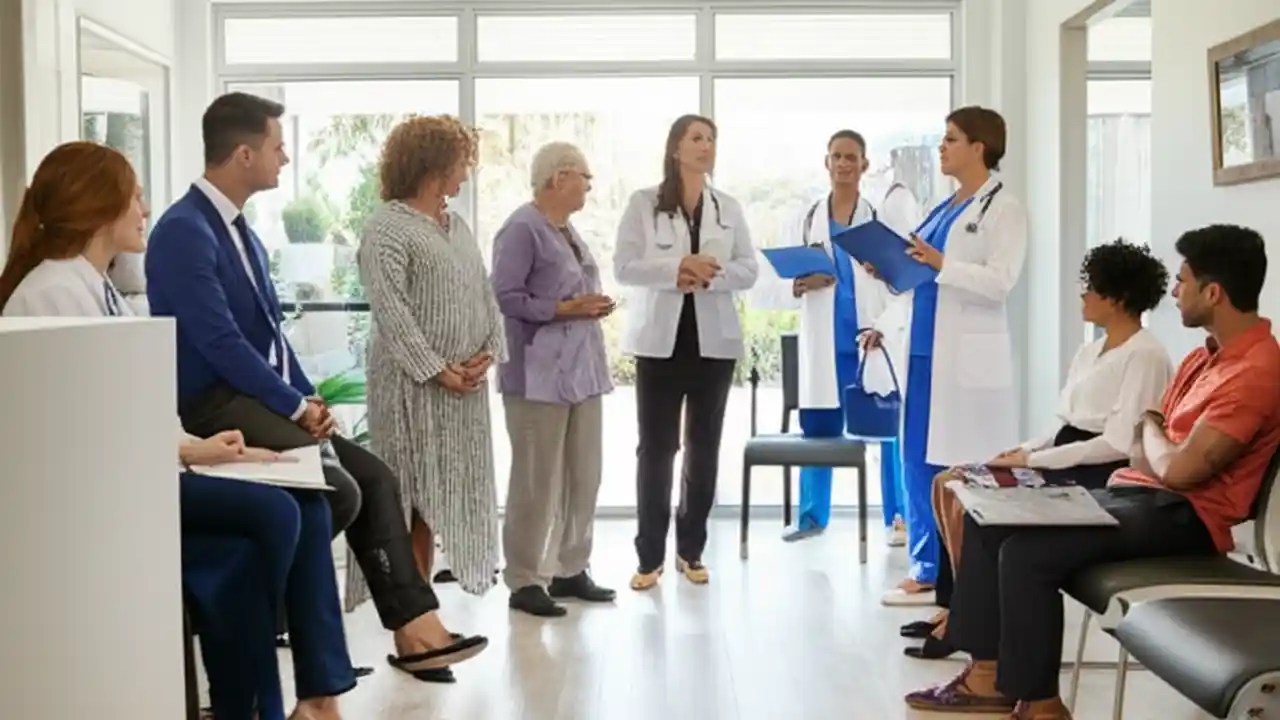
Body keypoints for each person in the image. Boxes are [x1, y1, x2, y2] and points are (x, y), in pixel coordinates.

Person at [0, 141, 355, 720]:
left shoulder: (98, 286)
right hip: (100, 497)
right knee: (278, 513)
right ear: (99, 206)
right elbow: (83, 429)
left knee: (293, 518)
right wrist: (190, 451)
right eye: (135, 195)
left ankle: (297, 700)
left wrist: (204, 448)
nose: (144, 207)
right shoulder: (54, 291)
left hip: (140, 469)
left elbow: (127, 406)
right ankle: (270, 702)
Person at [145, 93, 486, 683]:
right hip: (213, 406)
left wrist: (310, 399)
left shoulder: (240, 231)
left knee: (375, 479)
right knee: (339, 489)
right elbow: (221, 343)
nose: (285, 158)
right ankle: (266, 611)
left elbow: (271, 335)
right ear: (244, 152)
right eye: (278, 147)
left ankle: (415, 631)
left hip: (255, 398)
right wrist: (294, 404)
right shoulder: (184, 230)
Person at [905, 224, 1280, 720]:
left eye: (1183, 281)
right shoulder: (1201, 357)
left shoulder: (1255, 370)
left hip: (1184, 516)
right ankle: (988, 673)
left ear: (1213, 292)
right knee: (990, 516)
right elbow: (1152, 451)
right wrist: (1157, 439)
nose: (1174, 291)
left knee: (1026, 552)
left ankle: (1040, 705)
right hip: (1141, 494)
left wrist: (1155, 434)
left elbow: (1180, 470)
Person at [901, 238, 1172, 660]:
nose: (1083, 294)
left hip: (1098, 471)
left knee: (978, 504)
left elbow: (1117, 443)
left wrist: (1034, 461)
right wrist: (1021, 450)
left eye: (1092, 286)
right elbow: (1062, 421)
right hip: (1061, 453)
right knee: (949, 481)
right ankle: (954, 609)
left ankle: (963, 625)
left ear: (1117, 298)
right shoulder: (1091, 349)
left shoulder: (1146, 355)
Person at [862, 106, 1028, 606]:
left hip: (964, 356)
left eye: (951, 139)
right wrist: (890, 269)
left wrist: (940, 262)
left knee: (957, 464)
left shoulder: (1004, 208)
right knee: (915, 458)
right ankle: (925, 568)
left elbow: (1000, 281)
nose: (942, 147)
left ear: (980, 147)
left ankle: (960, 573)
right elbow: (926, 274)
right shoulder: (944, 206)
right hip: (923, 348)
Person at [356, 114, 504, 602]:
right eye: (461, 163)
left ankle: (426, 612)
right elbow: (391, 312)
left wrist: (486, 353)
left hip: (462, 392)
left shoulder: (455, 225)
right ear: (433, 165)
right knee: (408, 502)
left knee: (445, 502)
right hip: (410, 391)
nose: (465, 174)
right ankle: (414, 619)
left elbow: (483, 293)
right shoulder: (386, 229)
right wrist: (438, 371)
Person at [614, 114, 759, 590]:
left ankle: (691, 550)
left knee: (704, 449)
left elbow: (748, 270)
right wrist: (677, 267)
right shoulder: (644, 203)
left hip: (713, 344)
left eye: (712, 139)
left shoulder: (729, 208)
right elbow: (626, 267)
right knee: (656, 450)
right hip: (660, 345)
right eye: (697, 138)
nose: (706, 147)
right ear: (675, 147)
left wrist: (711, 273)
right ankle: (649, 556)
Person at [756, 129, 919, 544]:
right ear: (826, 163)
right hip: (825, 343)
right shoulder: (805, 219)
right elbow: (769, 284)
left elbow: (903, 283)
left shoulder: (879, 221)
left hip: (871, 341)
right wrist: (799, 285)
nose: (844, 164)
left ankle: (898, 517)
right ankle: (812, 517)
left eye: (851, 157)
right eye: (836, 156)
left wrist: (882, 298)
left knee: (886, 432)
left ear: (864, 165)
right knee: (820, 429)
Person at [490, 142, 617, 617]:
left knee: (584, 474)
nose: (588, 185)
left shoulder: (567, 231)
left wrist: (590, 306)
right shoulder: (522, 228)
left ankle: (570, 566)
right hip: (536, 374)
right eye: (585, 176)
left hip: (581, 371)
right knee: (535, 479)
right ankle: (524, 578)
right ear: (559, 177)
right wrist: (565, 308)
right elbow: (504, 296)